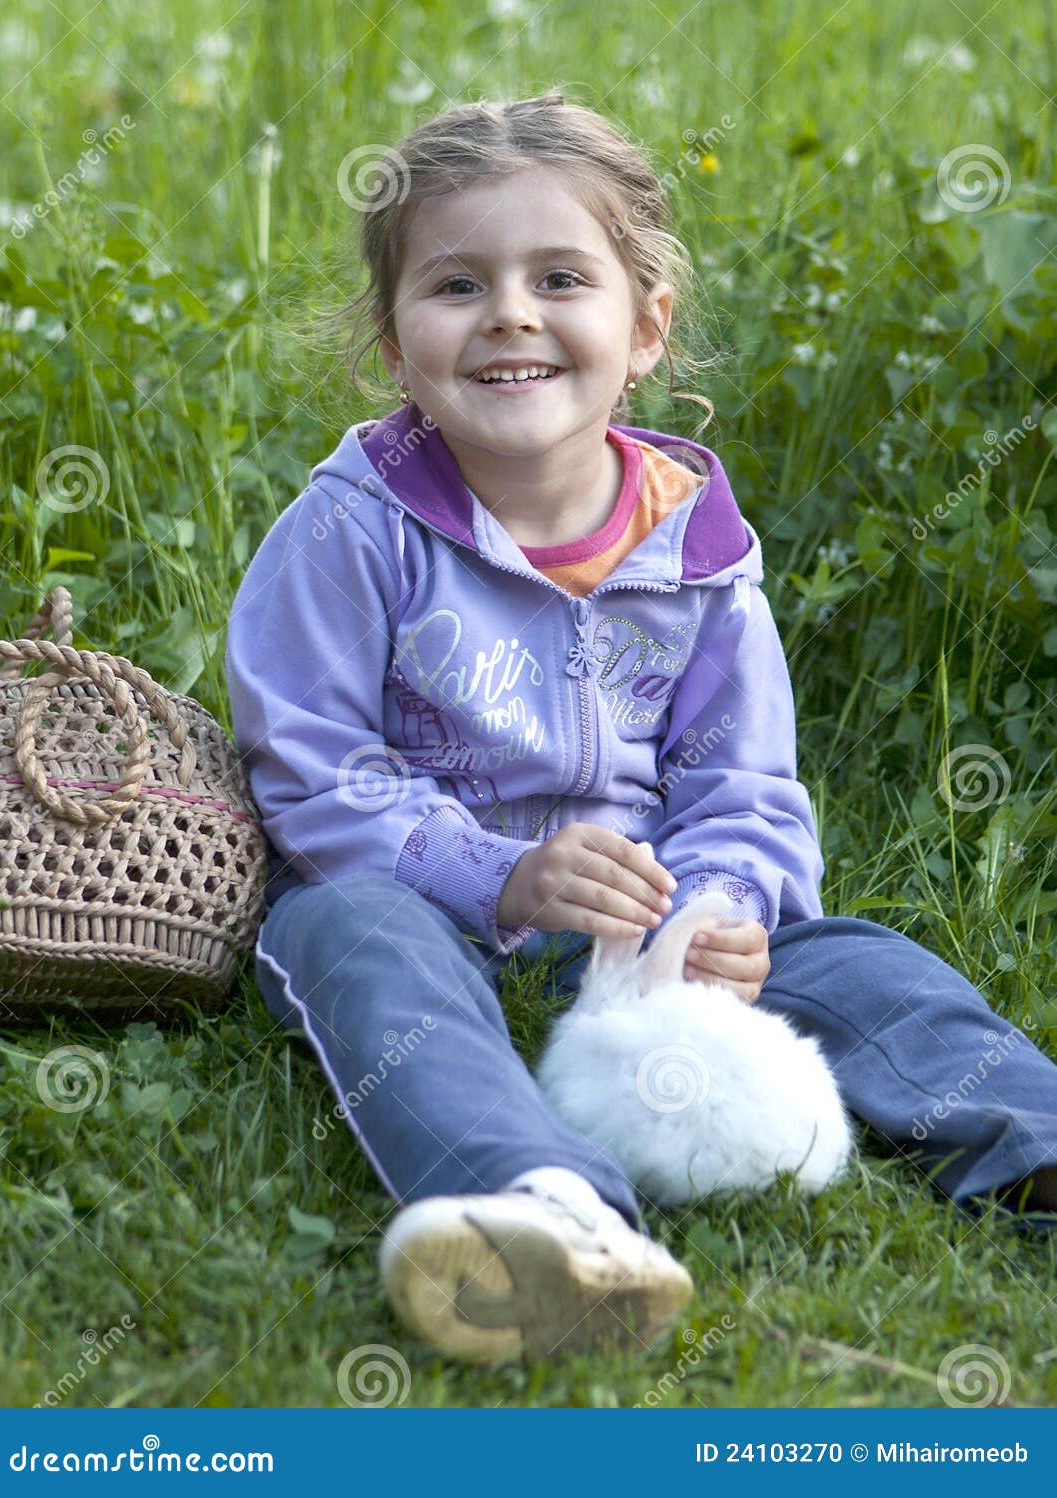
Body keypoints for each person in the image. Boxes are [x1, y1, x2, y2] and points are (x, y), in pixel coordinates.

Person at [225, 90, 1057, 1368]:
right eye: (457, 284)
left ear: (644, 324)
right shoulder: (352, 529)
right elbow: (310, 762)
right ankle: (538, 1208)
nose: (509, 312)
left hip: (637, 928)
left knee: (862, 965)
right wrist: (493, 873)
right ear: (394, 342)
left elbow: (744, 784)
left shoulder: (700, 557)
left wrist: (716, 911)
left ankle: (1033, 1143)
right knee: (349, 939)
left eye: (559, 276)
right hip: (417, 898)